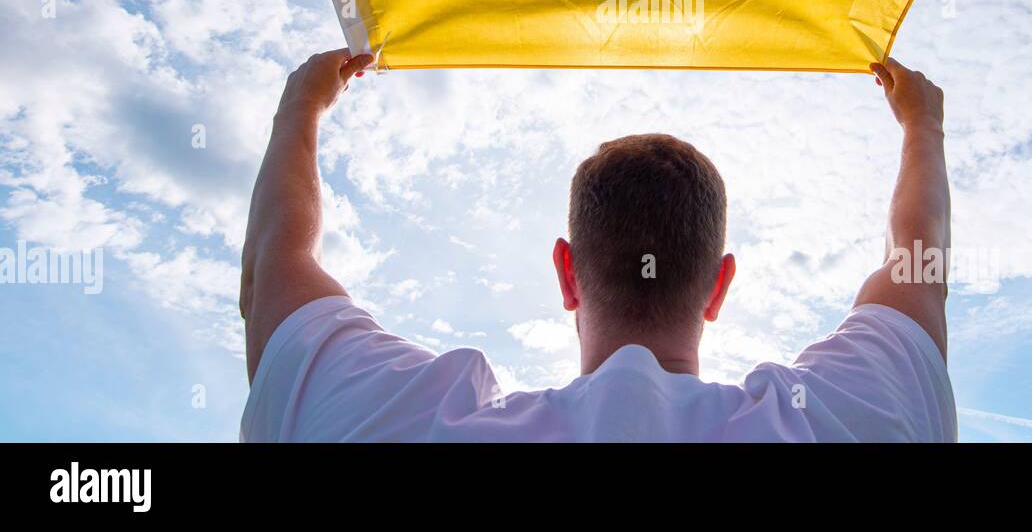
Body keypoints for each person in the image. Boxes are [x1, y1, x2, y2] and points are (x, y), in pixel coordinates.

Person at [239, 50, 955, 441]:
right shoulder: (826, 421)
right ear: (720, 285)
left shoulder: (423, 421)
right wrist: (922, 125)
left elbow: (274, 271)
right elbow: (920, 272)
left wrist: (299, 106)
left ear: (566, 272)